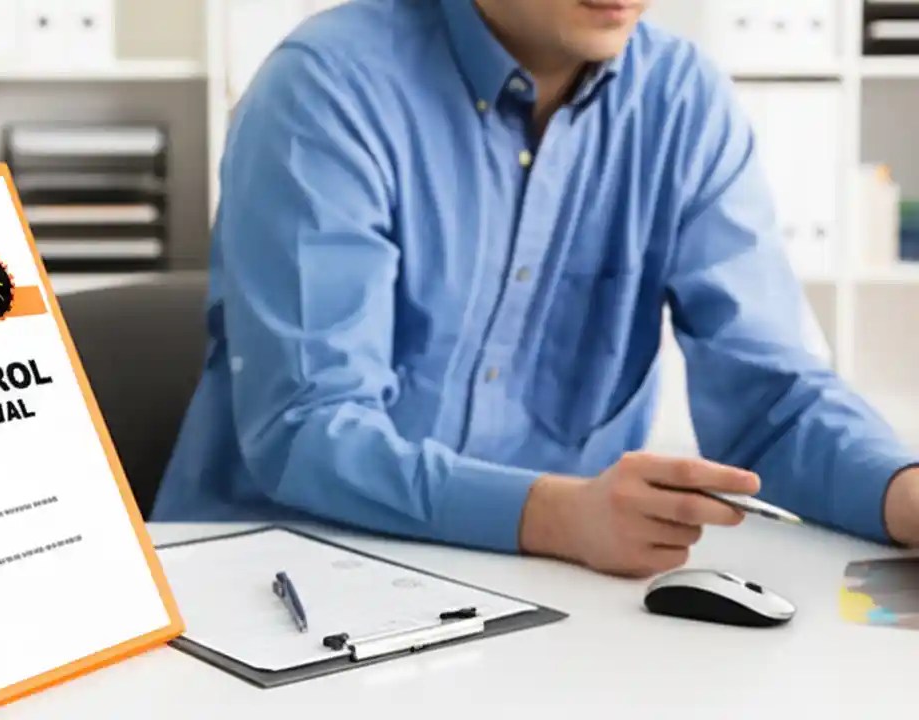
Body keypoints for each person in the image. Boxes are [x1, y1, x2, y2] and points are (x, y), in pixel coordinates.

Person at [152, 0, 919, 577]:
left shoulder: (681, 104)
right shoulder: (326, 90)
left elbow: (774, 402)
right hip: (277, 581)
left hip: (546, 600)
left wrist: (903, 494)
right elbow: (308, 427)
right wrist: (555, 517)